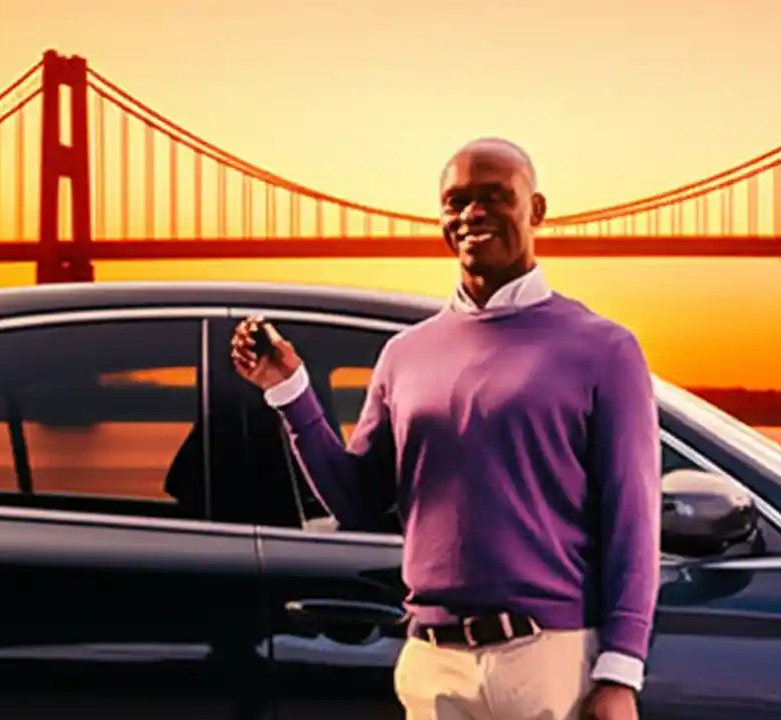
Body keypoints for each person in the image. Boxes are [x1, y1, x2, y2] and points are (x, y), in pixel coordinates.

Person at [231, 137, 661, 720]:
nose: (472, 214)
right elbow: (357, 502)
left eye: (494, 197)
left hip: (548, 663)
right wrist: (291, 391)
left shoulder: (604, 349)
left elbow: (632, 519)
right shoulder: (404, 354)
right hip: (433, 665)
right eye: (455, 202)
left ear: (535, 211)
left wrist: (620, 673)